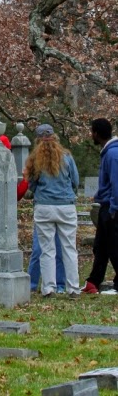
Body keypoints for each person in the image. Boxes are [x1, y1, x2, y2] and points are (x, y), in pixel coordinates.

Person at [3, 134, 66, 294]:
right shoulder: (35, 163)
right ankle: (32, 284)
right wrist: (29, 182)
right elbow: (26, 192)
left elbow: (73, 181)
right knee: (40, 249)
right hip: (46, 207)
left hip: (57, 206)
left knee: (57, 248)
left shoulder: (65, 161)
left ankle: (58, 284)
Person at [25, 124, 80, 297]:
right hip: (66, 206)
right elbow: (75, 181)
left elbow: (32, 185)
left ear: (37, 140)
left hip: (44, 206)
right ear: (55, 137)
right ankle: (73, 288)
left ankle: (49, 288)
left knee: (47, 249)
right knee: (69, 248)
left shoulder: (34, 159)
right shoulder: (67, 157)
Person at [81, 118, 118, 295]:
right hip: (106, 206)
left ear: (96, 133)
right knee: (100, 247)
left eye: (91, 132)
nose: (91, 135)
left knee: (114, 247)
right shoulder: (108, 152)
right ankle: (93, 282)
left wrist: (113, 208)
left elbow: (116, 183)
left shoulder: (112, 154)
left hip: (112, 209)